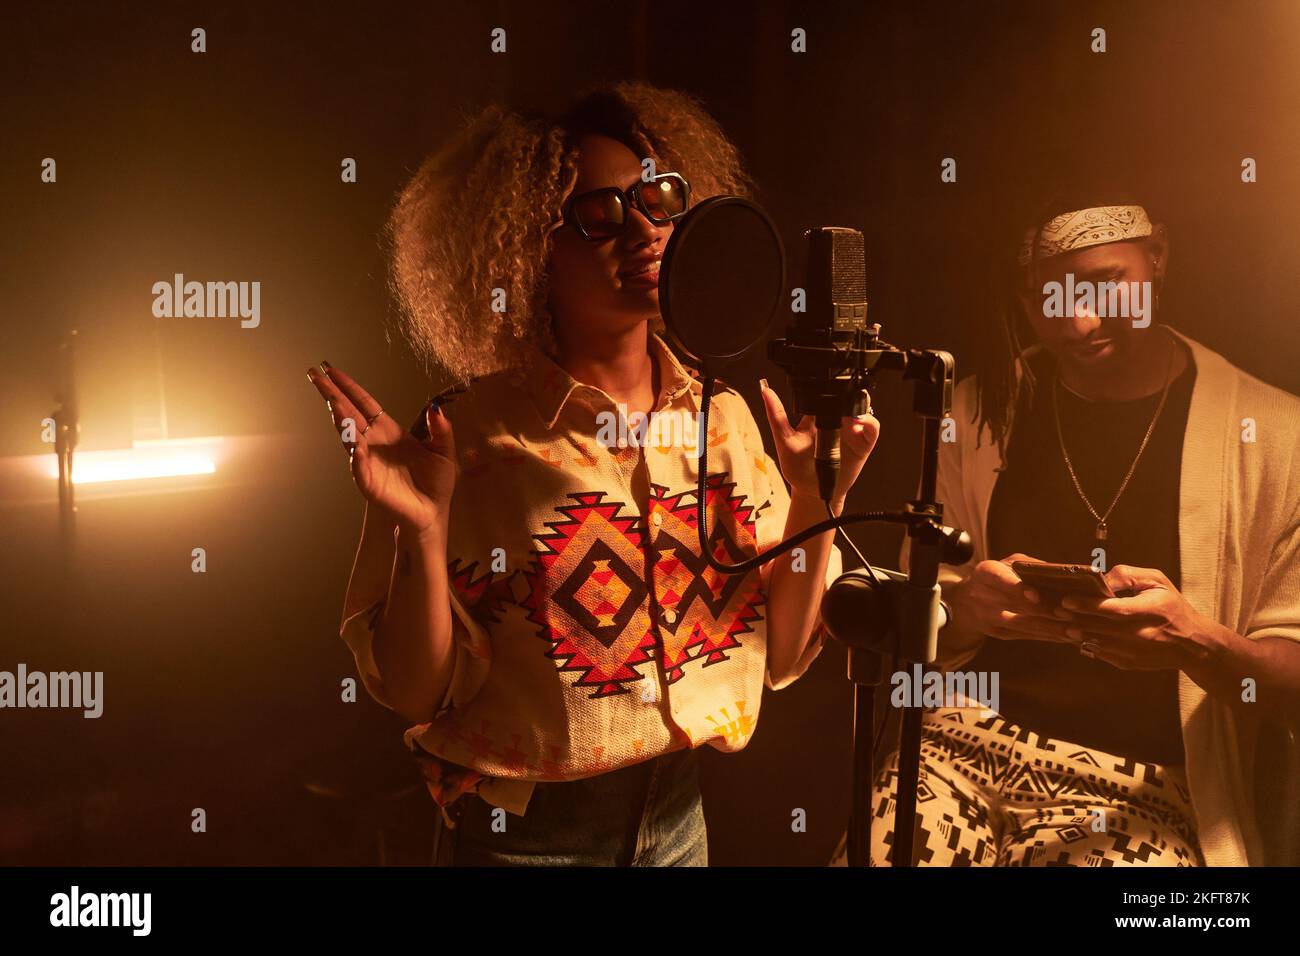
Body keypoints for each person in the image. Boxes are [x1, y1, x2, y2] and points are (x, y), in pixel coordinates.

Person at [307, 82, 880, 866]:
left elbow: (780, 656)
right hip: (526, 842)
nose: (643, 231)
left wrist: (816, 495)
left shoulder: (729, 419)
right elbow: (416, 691)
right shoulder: (461, 438)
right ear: (524, 250)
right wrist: (423, 529)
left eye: (659, 199)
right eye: (600, 214)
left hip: (680, 824)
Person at [832, 190, 1300, 867]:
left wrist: (1195, 643)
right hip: (959, 745)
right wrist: (965, 613)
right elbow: (916, 629)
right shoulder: (980, 411)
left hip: (1145, 788)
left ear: (1158, 258)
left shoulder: (1275, 436)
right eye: (1046, 298)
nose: (1078, 324)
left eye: (1104, 286)